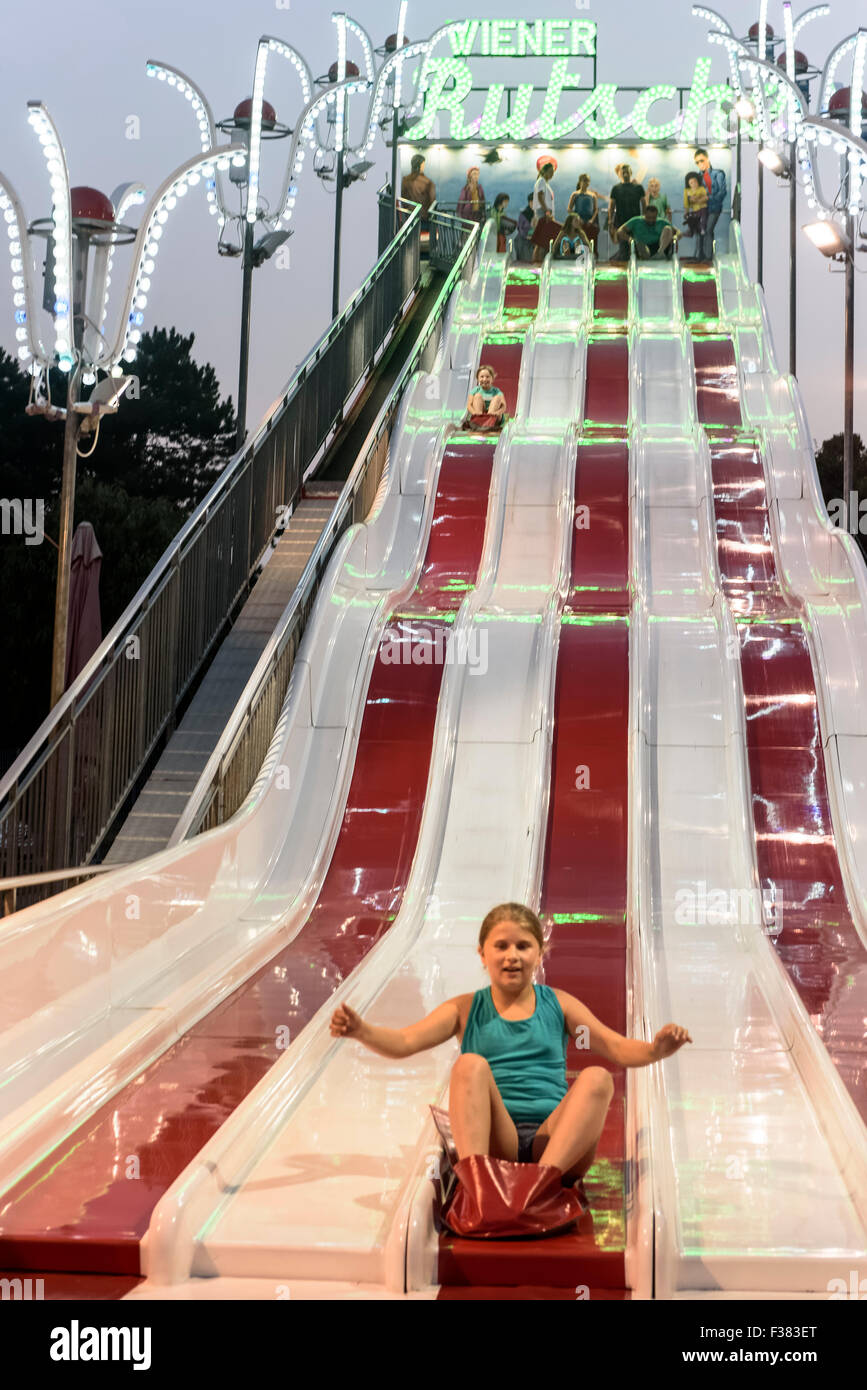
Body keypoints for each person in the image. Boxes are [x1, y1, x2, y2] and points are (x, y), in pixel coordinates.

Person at [330, 903, 691, 1187]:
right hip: (495, 1143)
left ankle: (539, 1187)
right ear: (482, 954)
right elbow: (405, 1041)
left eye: (523, 945)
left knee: (598, 1078)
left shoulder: (559, 1005)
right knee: (469, 1065)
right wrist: (362, 1031)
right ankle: (479, 1183)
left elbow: (615, 1047)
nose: (512, 955)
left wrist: (655, 1050)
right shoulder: (465, 1009)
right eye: (500, 946)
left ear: (540, 952)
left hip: (555, 1144)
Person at [693, 148, 727, 262]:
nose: (700, 164)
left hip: (714, 208)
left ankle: (708, 258)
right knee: (700, 230)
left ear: (707, 159)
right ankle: (699, 256)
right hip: (701, 209)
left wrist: (708, 198)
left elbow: (722, 192)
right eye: (697, 162)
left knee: (708, 229)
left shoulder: (718, 174)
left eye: (701, 160)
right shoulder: (697, 177)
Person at [608, 164, 645, 259]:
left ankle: (634, 265)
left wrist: (644, 219)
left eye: (627, 172)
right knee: (624, 248)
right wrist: (610, 221)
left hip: (635, 222)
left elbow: (644, 204)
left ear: (631, 173)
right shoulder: (616, 188)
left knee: (636, 247)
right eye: (623, 172)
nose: (625, 174)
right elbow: (611, 206)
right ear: (619, 174)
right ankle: (619, 264)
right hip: (621, 222)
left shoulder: (638, 187)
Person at [460, 364, 507, 432]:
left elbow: (504, 406)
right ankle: (479, 421)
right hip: (480, 415)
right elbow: (469, 405)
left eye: (487, 377)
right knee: (477, 396)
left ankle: (490, 422)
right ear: (478, 378)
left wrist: (498, 412)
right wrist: (474, 412)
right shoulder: (475, 390)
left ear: (492, 378)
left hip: (493, 416)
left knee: (497, 398)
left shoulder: (496, 391)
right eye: (482, 377)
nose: (484, 379)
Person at [532, 160, 560, 264]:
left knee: (543, 239)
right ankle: (536, 260)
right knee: (540, 240)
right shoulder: (541, 181)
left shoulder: (545, 183)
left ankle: (540, 260)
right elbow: (540, 197)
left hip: (546, 213)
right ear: (545, 171)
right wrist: (547, 211)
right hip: (543, 213)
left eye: (553, 172)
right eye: (551, 172)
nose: (552, 174)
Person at [567, 174, 602, 254]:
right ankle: (577, 255)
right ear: (580, 182)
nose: (586, 183)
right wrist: (577, 219)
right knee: (578, 240)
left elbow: (595, 210)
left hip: (589, 221)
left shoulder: (592, 195)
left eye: (587, 181)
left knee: (591, 239)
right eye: (584, 180)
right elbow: (569, 209)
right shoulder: (575, 194)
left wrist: (592, 220)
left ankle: (593, 254)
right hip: (578, 222)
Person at [400, 153, 436, 219]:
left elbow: (403, 198)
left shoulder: (405, 180)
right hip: (423, 217)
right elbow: (432, 201)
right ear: (421, 165)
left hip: (409, 215)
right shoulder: (428, 182)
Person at [683, 172, 709, 258]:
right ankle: (691, 231)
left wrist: (696, 199)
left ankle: (700, 252)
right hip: (694, 211)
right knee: (692, 221)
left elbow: (705, 198)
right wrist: (686, 211)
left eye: (695, 182)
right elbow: (686, 202)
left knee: (702, 222)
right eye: (691, 183)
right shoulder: (687, 191)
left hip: (702, 209)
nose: (693, 184)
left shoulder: (701, 189)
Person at [514, 192, 536, 263]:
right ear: (530, 202)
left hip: (534, 241)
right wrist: (527, 236)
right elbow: (520, 228)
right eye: (533, 202)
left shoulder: (538, 214)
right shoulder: (524, 214)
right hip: (523, 241)